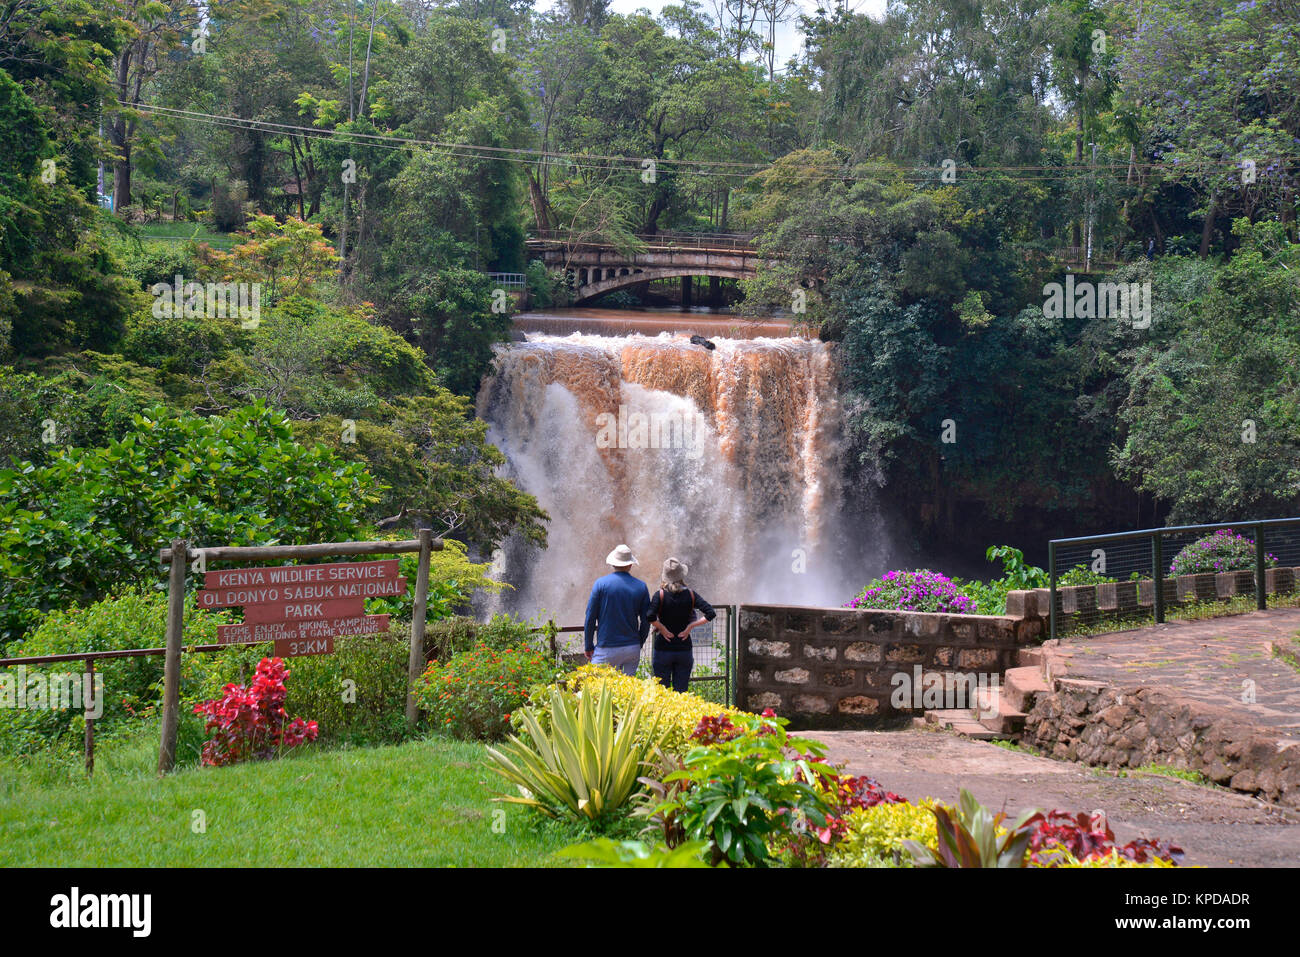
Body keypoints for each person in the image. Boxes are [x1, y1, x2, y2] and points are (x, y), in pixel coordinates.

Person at [647, 557, 715, 694]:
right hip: (684, 649)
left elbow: (649, 616)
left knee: (661, 693)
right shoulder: (691, 594)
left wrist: (662, 628)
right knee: (681, 694)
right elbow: (710, 613)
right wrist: (690, 627)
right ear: (682, 576)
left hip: (663, 650)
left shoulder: (659, 595)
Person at [583, 544, 652, 676]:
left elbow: (590, 617)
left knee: (598, 690)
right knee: (626, 691)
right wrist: (639, 643)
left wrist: (588, 645)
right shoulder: (641, 586)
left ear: (613, 563)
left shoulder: (600, 584)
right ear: (630, 565)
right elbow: (646, 621)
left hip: (606, 648)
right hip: (631, 648)